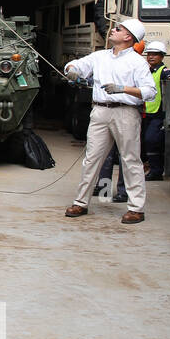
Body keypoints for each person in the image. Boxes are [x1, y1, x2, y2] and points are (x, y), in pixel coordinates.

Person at [63, 18, 155, 223]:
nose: (113, 30)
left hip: (126, 112)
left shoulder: (137, 62)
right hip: (100, 111)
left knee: (130, 160)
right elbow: (76, 65)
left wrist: (123, 89)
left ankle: (136, 208)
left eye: (119, 29)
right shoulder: (100, 57)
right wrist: (71, 70)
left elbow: (150, 92)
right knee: (91, 158)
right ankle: (81, 203)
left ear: (128, 37)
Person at [141, 39, 170, 180]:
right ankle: (149, 167)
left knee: (152, 141)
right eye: (149, 54)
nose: (151, 57)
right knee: (144, 141)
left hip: (158, 114)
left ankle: (156, 171)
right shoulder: (146, 71)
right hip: (146, 113)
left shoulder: (164, 71)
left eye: (155, 54)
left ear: (161, 56)